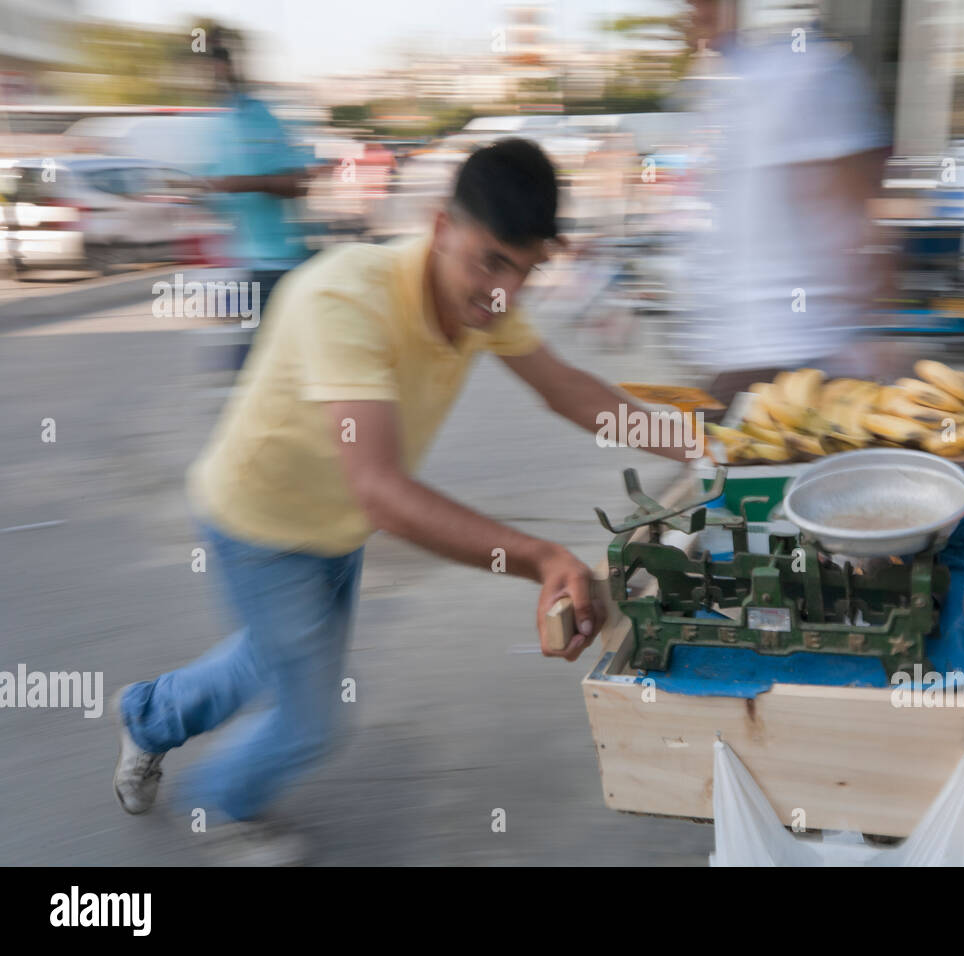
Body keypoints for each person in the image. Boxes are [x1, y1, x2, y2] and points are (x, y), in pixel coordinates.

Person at [111, 138, 692, 864]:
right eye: (491, 262)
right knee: (311, 720)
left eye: (526, 270)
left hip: (334, 525)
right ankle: (224, 806)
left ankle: (146, 715)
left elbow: (567, 389)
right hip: (260, 523)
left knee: (269, 656)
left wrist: (704, 442)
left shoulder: (486, 294)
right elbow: (384, 492)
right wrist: (540, 557)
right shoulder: (346, 298)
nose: (503, 293)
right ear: (441, 227)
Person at [679, 0, 898, 406]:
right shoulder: (714, 80)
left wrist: (870, 333)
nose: (690, 8)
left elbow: (859, 218)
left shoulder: (811, 71)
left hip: (803, 357)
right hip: (729, 357)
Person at [200, 28, 317, 366]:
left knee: (265, 369)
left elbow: (298, 184)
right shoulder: (213, 121)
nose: (213, 70)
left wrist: (242, 183)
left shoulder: (261, 116)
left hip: (274, 264)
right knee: (250, 371)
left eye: (219, 59)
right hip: (234, 267)